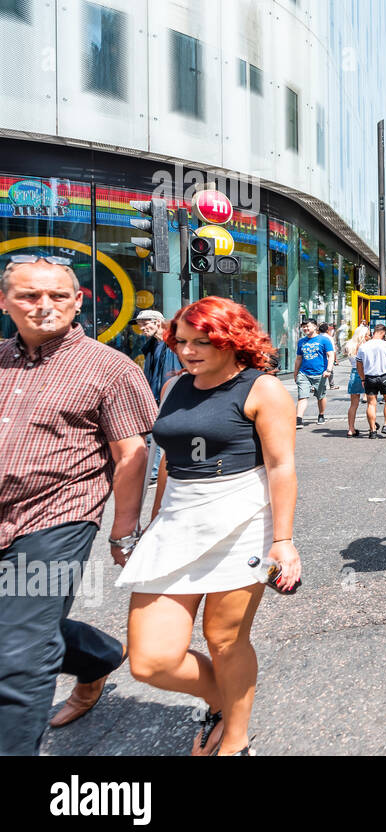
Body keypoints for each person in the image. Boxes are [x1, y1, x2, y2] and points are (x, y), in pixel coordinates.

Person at [117, 297, 299, 757]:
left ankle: (235, 739)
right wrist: (152, 524)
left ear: (232, 340)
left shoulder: (264, 390)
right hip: (176, 522)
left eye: (203, 341)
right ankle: (221, 697)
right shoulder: (175, 385)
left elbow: (282, 467)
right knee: (150, 660)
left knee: (225, 640)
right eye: (181, 342)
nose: (189, 351)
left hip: (242, 525)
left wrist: (284, 541)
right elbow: (172, 465)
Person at [0, 256, 154, 754]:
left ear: (78, 301)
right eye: (28, 295)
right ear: (5, 301)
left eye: (57, 296)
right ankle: (97, 656)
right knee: (25, 623)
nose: (43, 306)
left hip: (54, 517)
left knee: (17, 653)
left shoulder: (110, 367)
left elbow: (132, 453)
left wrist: (123, 533)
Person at [137, 309, 183, 482]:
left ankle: (169, 468)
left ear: (157, 322)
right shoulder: (152, 346)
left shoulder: (173, 344)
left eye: (144, 323)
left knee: (175, 432)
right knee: (151, 433)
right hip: (155, 396)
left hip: (172, 395)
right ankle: (155, 471)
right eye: (140, 325)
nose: (141, 328)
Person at [293, 319, 334, 429]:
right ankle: (299, 419)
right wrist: (295, 373)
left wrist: (328, 370)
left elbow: (331, 355)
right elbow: (298, 358)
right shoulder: (301, 341)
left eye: (307, 326)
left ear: (315, 327)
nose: (305, 328)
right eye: (303, 327)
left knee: (320, 396)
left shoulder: (324, 340)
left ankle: (321, 414)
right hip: (304, 373)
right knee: (302, 396)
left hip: (320, 374)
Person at [358, 323, 386, 438]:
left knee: (371, 404)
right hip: (384, 376)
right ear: (383, 333)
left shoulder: (363, 346)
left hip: (370, 377)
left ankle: (372, 431)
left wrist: (362, 378)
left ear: (374, 332)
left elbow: (359, 364)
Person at [344, 325, 370, 438]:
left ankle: (351, 429)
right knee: (371, 402)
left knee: (353, 404)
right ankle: (372, 426)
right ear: (363, 335)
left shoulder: (349, 345)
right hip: (366, 373)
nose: (369, 336)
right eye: (368, 334)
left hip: (354, 373)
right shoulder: (365, 346)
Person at [320, 323, 338, 389]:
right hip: (328, 358)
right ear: (327, 330)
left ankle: (315, 386)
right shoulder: (329, 338)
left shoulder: (317, 336)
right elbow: (333, 350)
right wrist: (335, 359)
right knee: (330, 370)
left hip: (319, 358)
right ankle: (332, 385)